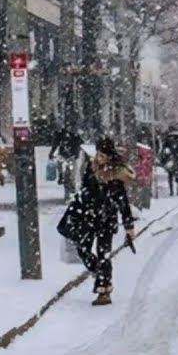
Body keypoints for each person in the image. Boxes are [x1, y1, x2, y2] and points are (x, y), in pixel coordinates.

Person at [61, 137, 137, 306]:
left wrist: (129, 226)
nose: (99, 157)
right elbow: (85, 188)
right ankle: (99, 271)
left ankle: (104, 290)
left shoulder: (115, 174)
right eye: (98, 154)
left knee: (104, 254)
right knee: (82, 248)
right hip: (88, 217)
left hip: (106, 220)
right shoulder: (92, 167)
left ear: (109, 156)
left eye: (102, 155)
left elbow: (122, 201)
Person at [49, 125, 86, 199]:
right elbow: (56, 143)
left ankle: (70, 183)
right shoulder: (62, 133)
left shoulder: (74, 134)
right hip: (66, 155)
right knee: (63, 168)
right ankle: (62, 177)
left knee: (73, 173)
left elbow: (81, 141)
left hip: (72, 155)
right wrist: (52, 152)